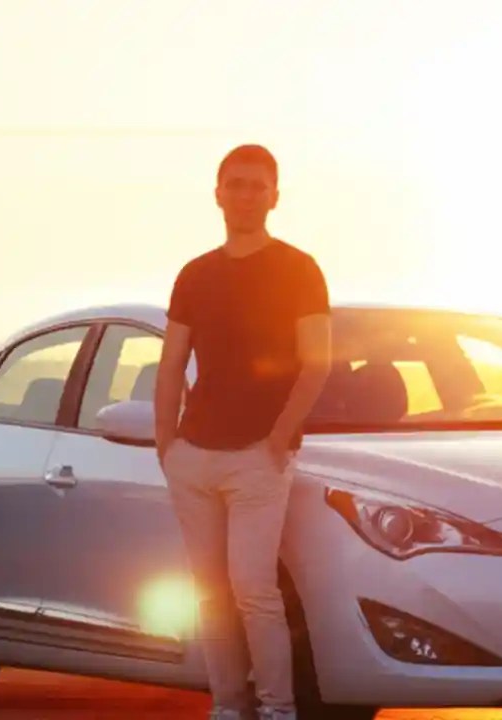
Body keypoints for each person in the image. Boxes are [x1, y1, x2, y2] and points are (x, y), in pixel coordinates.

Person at [154, 144, 332, 720]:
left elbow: (318, 363)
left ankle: (277, 708)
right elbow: (171, 363)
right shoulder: (195, 274)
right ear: (217, 194)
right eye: (236, 184)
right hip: (195, 458)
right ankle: (229, 706)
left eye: (257, 185)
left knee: (254, 592)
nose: (246, 194)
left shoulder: (298, 269)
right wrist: (166, 442)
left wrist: (279, 438)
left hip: (259, 458)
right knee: (211, 596)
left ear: (274, 196)